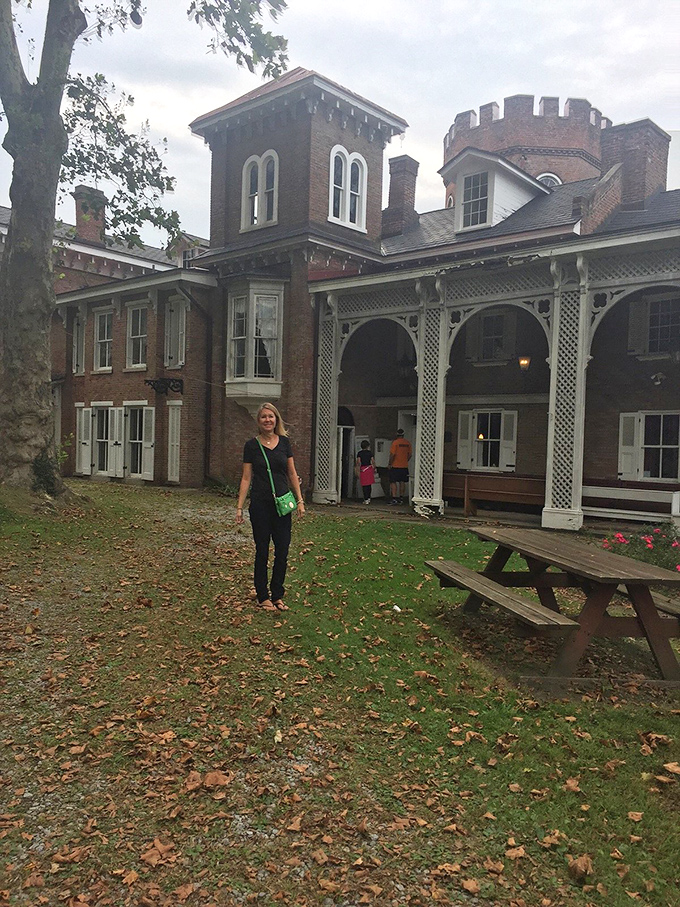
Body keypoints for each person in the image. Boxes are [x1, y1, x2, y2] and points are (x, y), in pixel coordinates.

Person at [235, 403, 305, 612]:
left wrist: (300, 501)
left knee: (282, 551)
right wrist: (239, 507)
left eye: (271, 416)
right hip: (260, 504)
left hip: (282, 505)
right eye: (264, 417)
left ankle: (277, 595)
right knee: (262, 551)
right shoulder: (251, 446)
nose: (267, 420)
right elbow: (246, 477)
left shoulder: (284, 443)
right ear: (258, 421)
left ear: (276, 420)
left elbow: (292, 473)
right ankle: (263, 596)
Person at [388, 428, 412, 504]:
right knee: (402, 482)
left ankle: (394, 498)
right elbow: (410, 454)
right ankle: (401, 498)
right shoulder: (407, 443)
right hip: (404, 466)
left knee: (393, 481)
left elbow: (392, 454)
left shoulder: (395, 443)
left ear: (397, 434)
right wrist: (405, 460)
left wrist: (390, 463)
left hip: (395, 465)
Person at [355, 439, 376, 505]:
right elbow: (373, 461)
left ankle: (366, 499)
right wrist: (374, 468)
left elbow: (358, 462)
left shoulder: (359, 453)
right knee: (369, 484)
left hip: (363, 469)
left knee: (364, 485)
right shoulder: (370, 453)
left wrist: (357, 470)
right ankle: (369, 497)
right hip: (369, 469)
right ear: (367, 446)